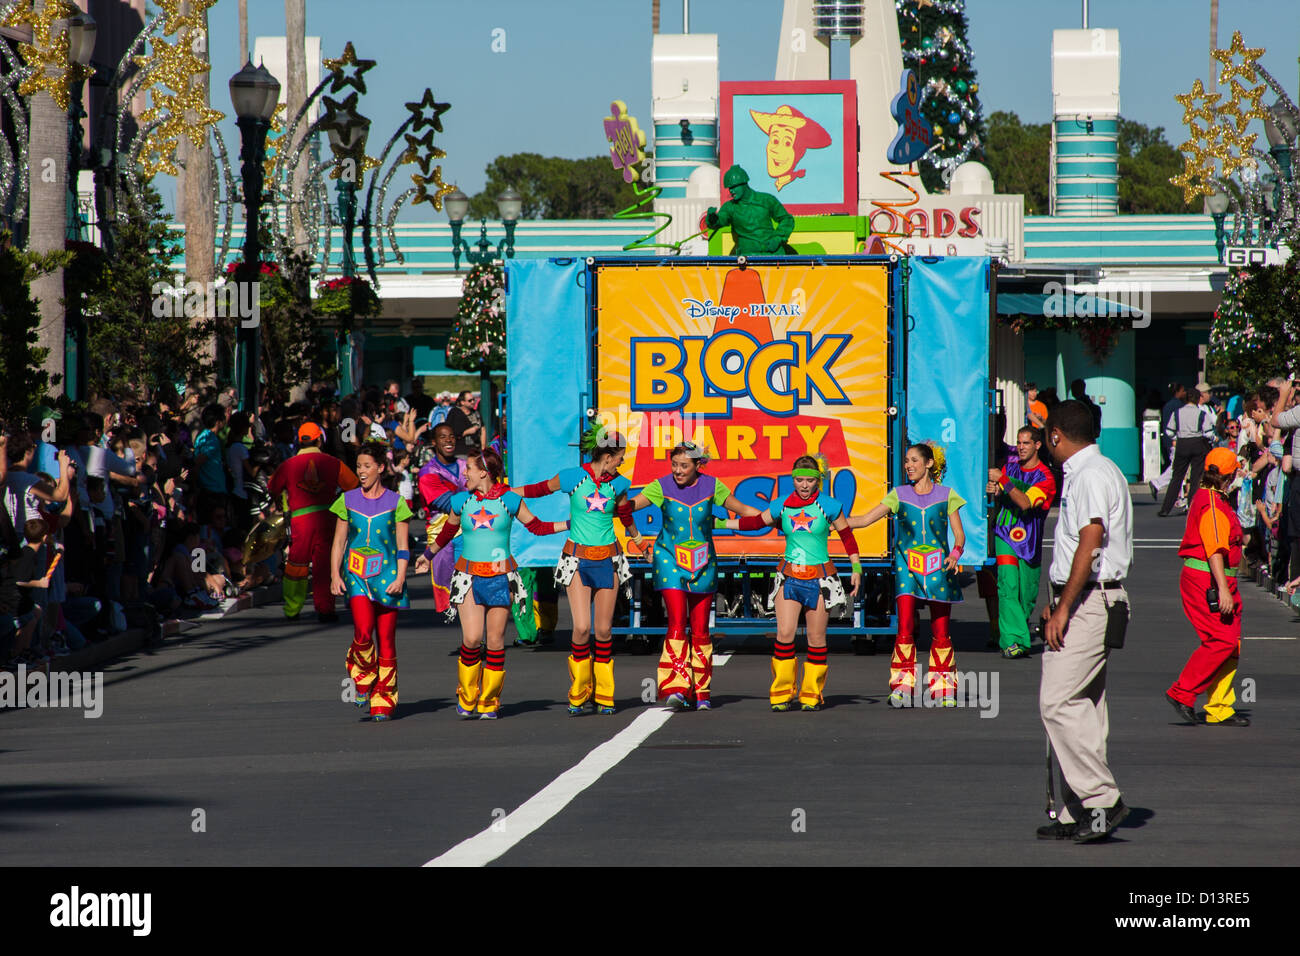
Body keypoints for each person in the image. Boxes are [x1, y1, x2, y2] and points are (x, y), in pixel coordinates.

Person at [1036, 400, 1132, 843]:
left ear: (1057, 435)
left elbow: (1092, 541)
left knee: (1056, 701)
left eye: (1044, 435)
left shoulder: (1090, 475)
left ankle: (1101, 799)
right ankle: (1079, 812)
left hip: (1090, 600)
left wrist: (1063, 606)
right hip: (1096, 599)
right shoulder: (1100, 470)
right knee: (1087, 706)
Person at [415, 448, 565, 718]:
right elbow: (448, 531)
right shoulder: (461, 501)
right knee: (472, 639)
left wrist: (569, 523)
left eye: (469, 469)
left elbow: (537, 527)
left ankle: (489, 700)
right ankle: (468, 693)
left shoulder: (509, 499)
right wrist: (427, 556)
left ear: (483, 471)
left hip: (501, 577)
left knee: (495, 641)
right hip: (468, 577)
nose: (465, 474)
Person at [621, 441, 761, 710]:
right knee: (676, 621)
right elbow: (629, 506)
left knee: (700, 629)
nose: (677, 470)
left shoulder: (713, 486)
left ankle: (702, 691)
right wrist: (615, 499)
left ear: (698, 466)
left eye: (684, 465)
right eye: (674, 465)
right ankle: (676, 687)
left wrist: (778, 517)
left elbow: (743, 511)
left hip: (703, 562)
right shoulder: (660, 486)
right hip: (668, 558)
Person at [515, 423, 634, 716]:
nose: (622, 461)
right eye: (620, 456)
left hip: (609, 558)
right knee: (581, 628)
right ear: (608, 455)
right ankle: (579, 693)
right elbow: (538, 489)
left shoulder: (619, 483)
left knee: (604, 630)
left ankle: (605, 695)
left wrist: (637, 536)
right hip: (577, 559)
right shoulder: (573, 477)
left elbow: (623, 511)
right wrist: (503, 493)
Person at [726, 455, 861, 711]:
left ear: (818, 480)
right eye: (799, 480)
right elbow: (755, 523)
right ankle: (781, 693)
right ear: (793, 478)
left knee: (816, 638)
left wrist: (856, 567)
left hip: (821, 579)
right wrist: (719, 523)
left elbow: (847, 536)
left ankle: (811, 694)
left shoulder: (830, 505)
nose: (804, 485)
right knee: (785, 634)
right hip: (788, 577)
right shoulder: (782, 504)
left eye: (810, 480)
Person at [850, 442, 965, 706]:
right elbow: (866, 519)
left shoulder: (948, 495)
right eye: (906, 461)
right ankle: (902, 685)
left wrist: (955, 554)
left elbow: (959, 535)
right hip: (907, 570)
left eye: (914, 460)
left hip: (939, 569)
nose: (908, 466)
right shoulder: (898, 494)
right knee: (904, 629)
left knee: (941, 631)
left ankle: (943, 687)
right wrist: (835, 521)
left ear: (929, 464)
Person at [1167, 448, 1250, 727]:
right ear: (1229, 475)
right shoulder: (1212, 504)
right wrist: (1223, 590)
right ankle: (1183, 692)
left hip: (1216, 579)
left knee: (1230, 644)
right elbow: (1214, 549)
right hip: (1208, 580)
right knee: (1222, 641)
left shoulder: (1213, 498)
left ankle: (1219, 706)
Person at [329, 443, 411, 722]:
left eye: (366, 466)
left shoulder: (396, 502)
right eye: (359, 466)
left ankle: (384, 699)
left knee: (386, 641)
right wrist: (334, 575)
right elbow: (339, 541)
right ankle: (363, 679)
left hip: (388, 578)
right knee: (364, 632)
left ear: (380, 468)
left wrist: (401, 577)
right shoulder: (347, 500)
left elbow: (402, 546)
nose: (361, 471)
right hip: (356, 577)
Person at [267, 422, 359, 623]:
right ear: (319, 439)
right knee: (324, 565)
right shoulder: (333, 462)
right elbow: (353, 486)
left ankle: (292, 609)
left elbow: (272, 486)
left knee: (296, 564)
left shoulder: (288, 465)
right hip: (327, 518)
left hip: (300, 520)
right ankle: (325, 609)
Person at [986, 426, 1057, 659]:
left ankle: (1018, 629)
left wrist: (1002, 480)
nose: (1021, 447)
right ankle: (1012, 642)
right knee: (1007, 586)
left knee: (1026, 595)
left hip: (1030, 541)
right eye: (1018, 442)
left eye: (1026, 443)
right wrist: (994, 490)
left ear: (1037, 445)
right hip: (1004, 533)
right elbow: (1001, 491)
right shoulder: (1010, 467)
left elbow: (1025, 503)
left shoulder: (1046, 478)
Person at [416, 423, 468, 623]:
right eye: (443, 437)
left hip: (471, 533)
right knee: (453, 593)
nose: (449, 440)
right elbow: (446, 503)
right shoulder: (428, 472)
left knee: (471, 588)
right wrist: (479, 499)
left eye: (452, 436)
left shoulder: (466, 465)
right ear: (434, 442)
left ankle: (475, 641)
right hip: (443, 538)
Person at [704, 164, 796, 255]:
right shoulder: (730, 207)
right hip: (748, 258)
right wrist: (713, 219)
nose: (731, 191)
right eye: (729, 188)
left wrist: (778, 238)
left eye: (734, 187)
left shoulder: (766, 200)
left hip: (773, 255)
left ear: (744, 183)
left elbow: (786, 219)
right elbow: (721, 219)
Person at [1160, 384, 1215, 517]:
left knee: (1177, 476)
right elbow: (1208, 433)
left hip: (1182, 444)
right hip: (1197, 444)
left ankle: (1166, 508)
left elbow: (1169, 431)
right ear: (1198, 399)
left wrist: (1177, 437)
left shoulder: (1177, 413)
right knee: (1196, 477)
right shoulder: (1201, 414)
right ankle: (1192, 507)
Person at [445, 391, 482, 459]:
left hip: (475, 450)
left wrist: (483, 448)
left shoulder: (476, 413)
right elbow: (449, 432)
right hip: (459, 451)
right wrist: (467, 432)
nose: (473, 402)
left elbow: (483, 429)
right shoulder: (454, 413)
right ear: (462, 402)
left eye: (473, 399)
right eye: (470, 400)